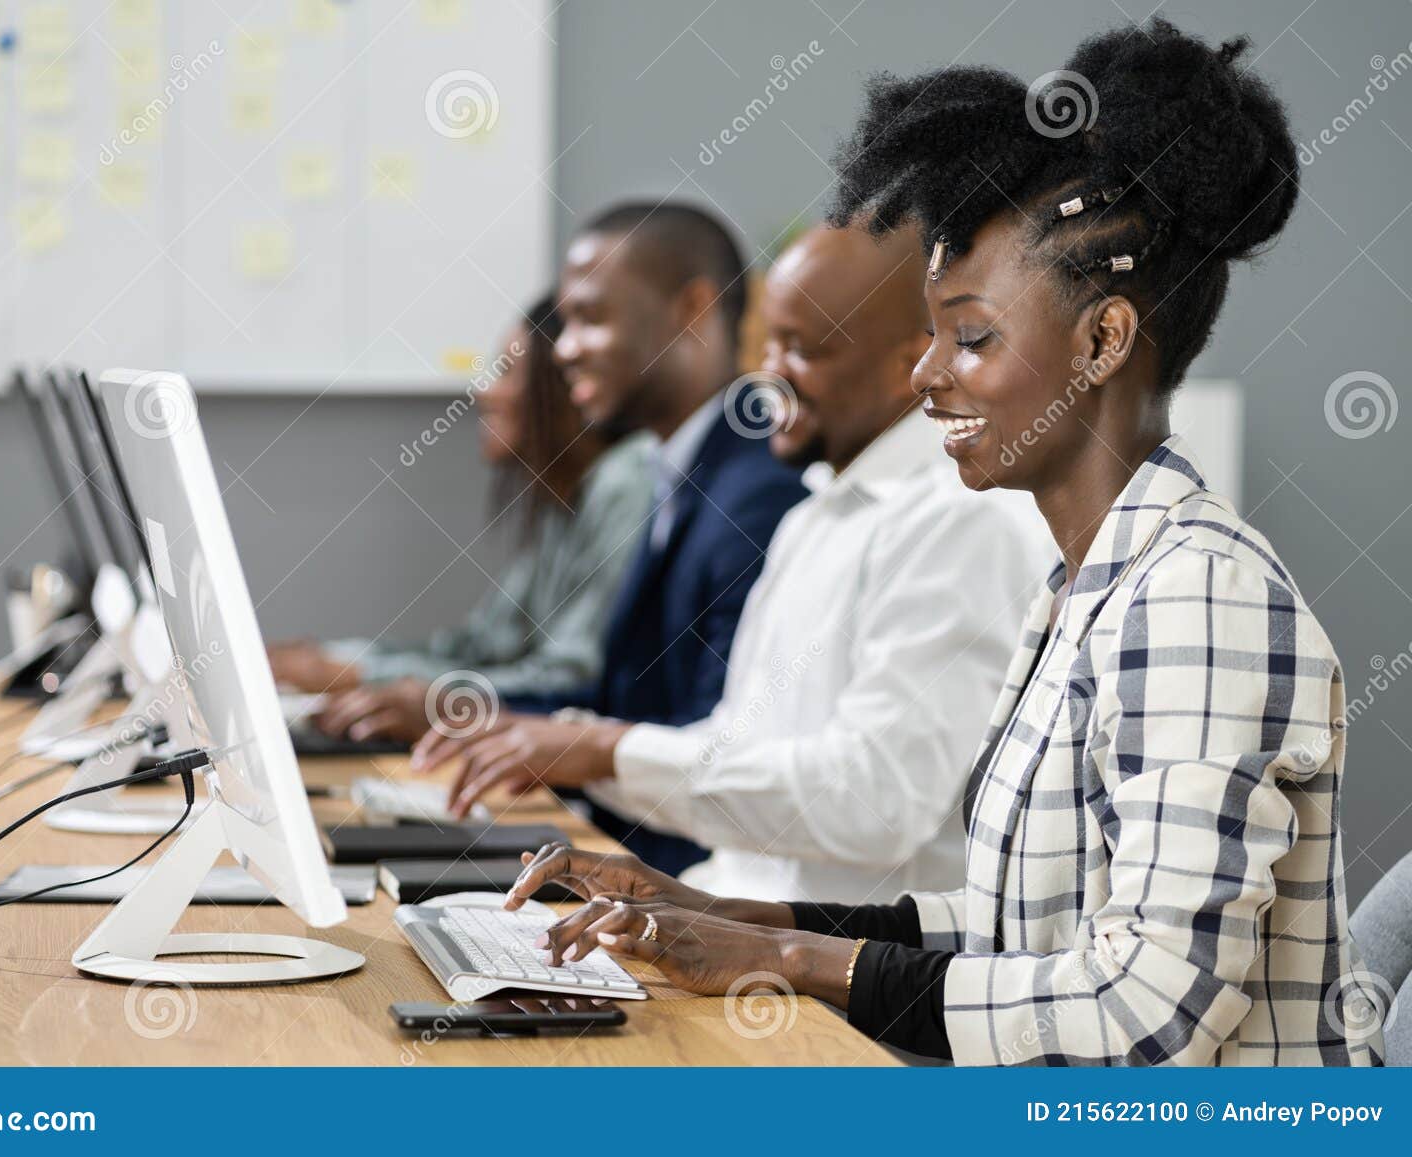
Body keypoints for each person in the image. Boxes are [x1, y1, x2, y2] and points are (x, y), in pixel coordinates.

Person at [505, 21, 1382, 1066]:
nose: (925, 374)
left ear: (1103, 340)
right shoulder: (1081, 586)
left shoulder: (1198, 596)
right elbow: (1024, 928)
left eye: (969, 336)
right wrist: (724, 914)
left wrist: (792, 960)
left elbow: (1146, 1010)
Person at [414, 223, 1050, 905]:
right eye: (768, 344)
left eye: (804, 349)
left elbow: (876, 803)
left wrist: (606, 751)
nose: (768, 376)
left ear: (912, 364)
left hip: (837, 962)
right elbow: (737, 749)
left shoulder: (962, 522)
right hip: (738, 918)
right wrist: (594, 768)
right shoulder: (815, 512)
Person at [500, 203, 810, 873]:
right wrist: (479, 721)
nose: (564, 348)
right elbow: (627, 703)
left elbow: (718, 744)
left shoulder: (759, 494)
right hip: (628, 856)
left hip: (691, 881)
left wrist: (572, 749)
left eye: (591, 317)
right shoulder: (679, 468)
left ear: (692, 310)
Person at [268, 293, 651, 741]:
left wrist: (391, 685)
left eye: (506, 371)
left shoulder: (624, 482)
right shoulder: (564, 499)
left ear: (566, 385)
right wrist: (341, 663)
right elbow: (482, 645)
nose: (483, 390)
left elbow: (569, 680)